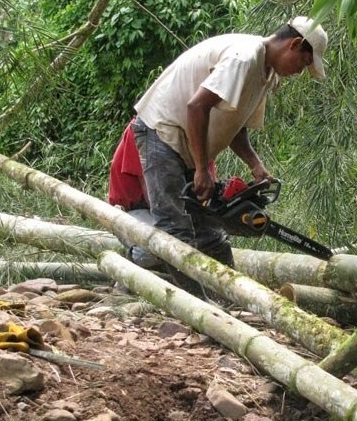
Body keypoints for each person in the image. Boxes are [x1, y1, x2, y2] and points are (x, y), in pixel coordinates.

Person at [129, 16, 328, 295]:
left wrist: (255, 165)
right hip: (162, 131)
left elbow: (236, 125)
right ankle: (198, 307)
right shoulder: (243, 58)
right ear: (294, 44)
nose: (300, 71)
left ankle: (228, 298)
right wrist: (202, 169)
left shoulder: (265, 73)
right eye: (303, 63)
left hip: (189, 144)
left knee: (210, 233)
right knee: (175, 229)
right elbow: (196, 106)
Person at [108, 118, 217, 272]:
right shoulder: (145, 131)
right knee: (151, 251)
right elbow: (155, 199)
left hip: (175, 203)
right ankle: (132, 267)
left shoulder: (198, 132)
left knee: (208, 240)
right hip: (136, 207)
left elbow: (207, 185)